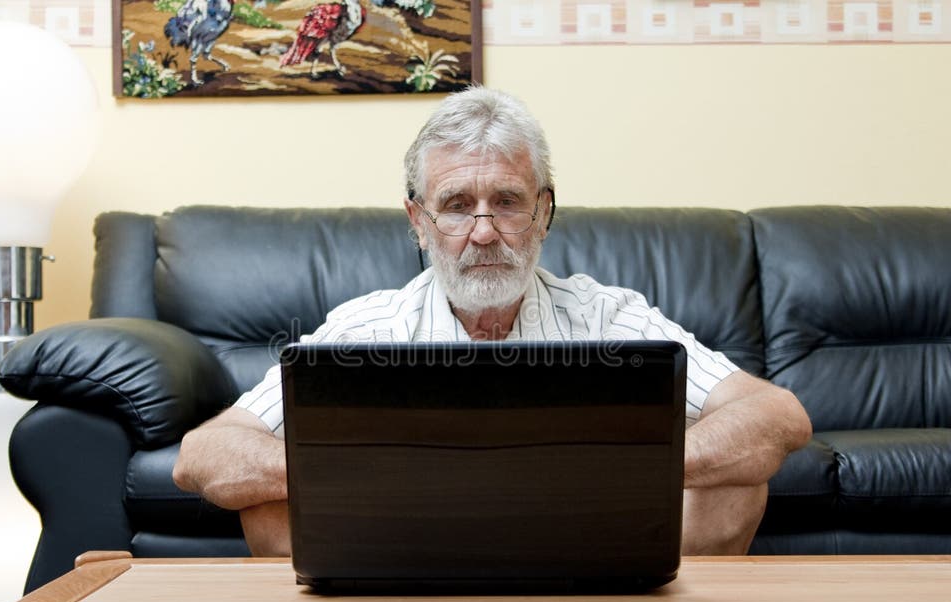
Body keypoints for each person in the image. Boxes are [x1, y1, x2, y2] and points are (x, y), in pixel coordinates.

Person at [174, 86, 812, 558]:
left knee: (737, 482)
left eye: (507, 202)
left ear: (544, 213)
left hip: (586, 541)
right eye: (456, 206)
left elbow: (777, 416)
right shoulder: (361, 330)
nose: (483, 232)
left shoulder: (609, 315)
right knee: (267, 496)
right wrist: (372, 472)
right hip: (402, 544)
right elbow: (202, 456)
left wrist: (629, 468)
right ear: (419, 224)